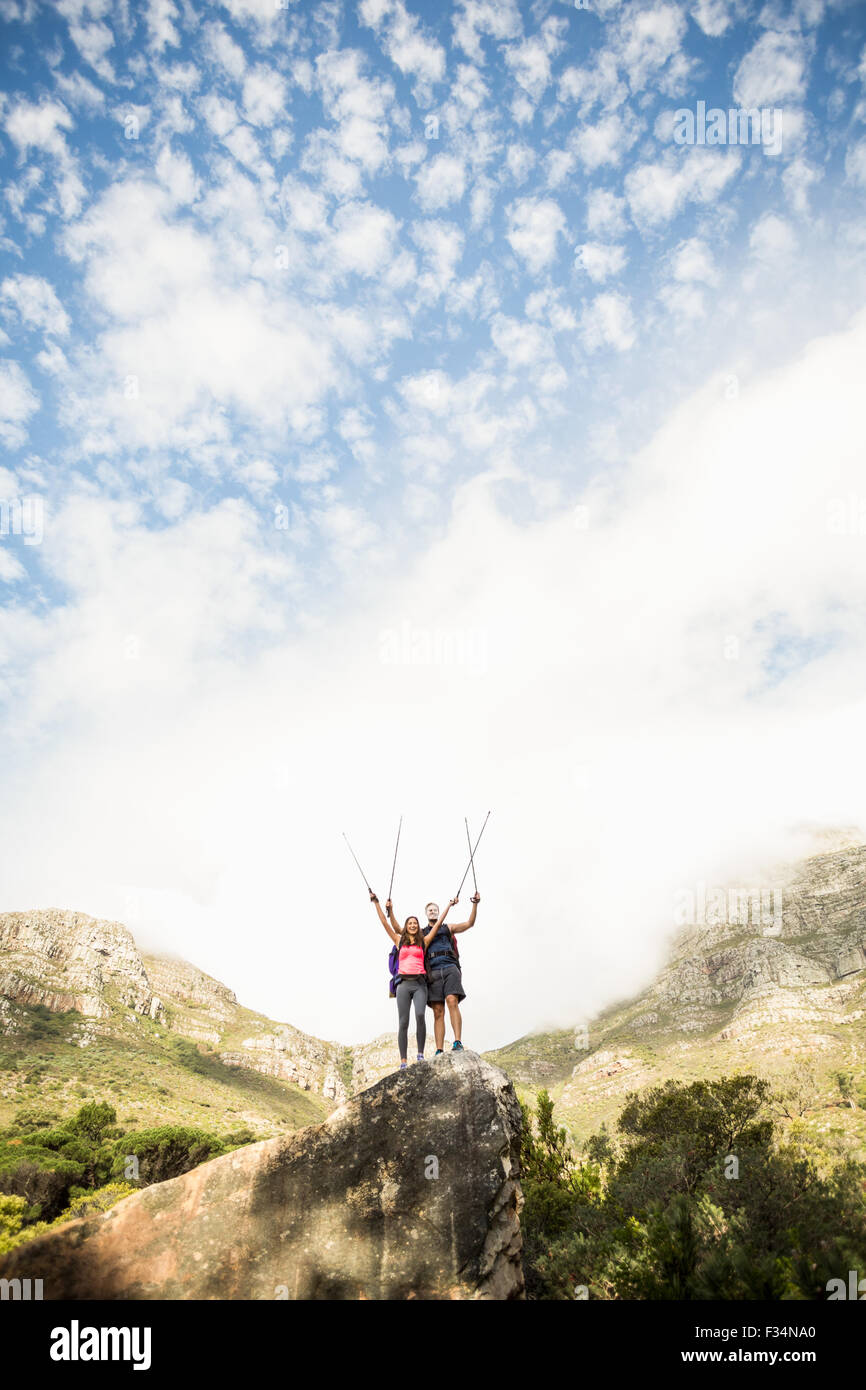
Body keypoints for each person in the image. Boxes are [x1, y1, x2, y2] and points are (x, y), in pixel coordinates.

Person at [370, 892, 457, 1069]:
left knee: (420, 1015)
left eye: (415, 923)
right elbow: (385, 922)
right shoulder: (398, 940)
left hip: (419, 984)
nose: (412, 925)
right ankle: (403, 1061)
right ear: (406, 926)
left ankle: (420, 1054)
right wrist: (377, 903)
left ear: (418, 927)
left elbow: (438, 924)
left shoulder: (424, 941)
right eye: (409, 923)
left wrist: (448, 905)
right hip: (403, 984)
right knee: (403, 1022)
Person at [390, 893, 480, 1055]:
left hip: (450, 966)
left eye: (435, 910)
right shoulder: (421, 933)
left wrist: (475, 904)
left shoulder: (448, 928)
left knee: (452, 1001)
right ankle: (439, 1049)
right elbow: (397, 929)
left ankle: (457, 1041)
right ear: (426, 914)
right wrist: (391, 911)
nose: (432, 912)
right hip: (433, 972)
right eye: (430, 910)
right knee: (438, 1010)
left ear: (438, 912)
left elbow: (469, 923)